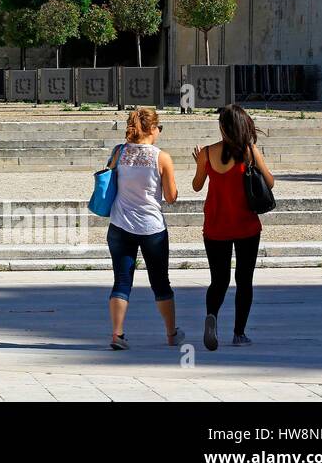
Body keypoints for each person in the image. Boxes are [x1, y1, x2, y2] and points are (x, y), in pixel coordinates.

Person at [193, 103, 275, 350]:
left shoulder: (207, 153)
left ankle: (212, 317)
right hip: (246, 226)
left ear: (222, 127)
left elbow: (197, 186)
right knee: (244, 279)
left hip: (216, 226)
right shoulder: (249, 151)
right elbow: (270, 183)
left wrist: (199, 162)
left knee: (218, 279)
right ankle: (239, 333)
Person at [105, 107, 183, 350]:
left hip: (120, 224)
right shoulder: (161, 158)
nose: (159, 132)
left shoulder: (119, 152)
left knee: (121, 281)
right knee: (160, 282)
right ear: (151, 129)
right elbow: (171, 197)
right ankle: (171, 333)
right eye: (159, 127)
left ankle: (117, 335)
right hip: (151, 228)